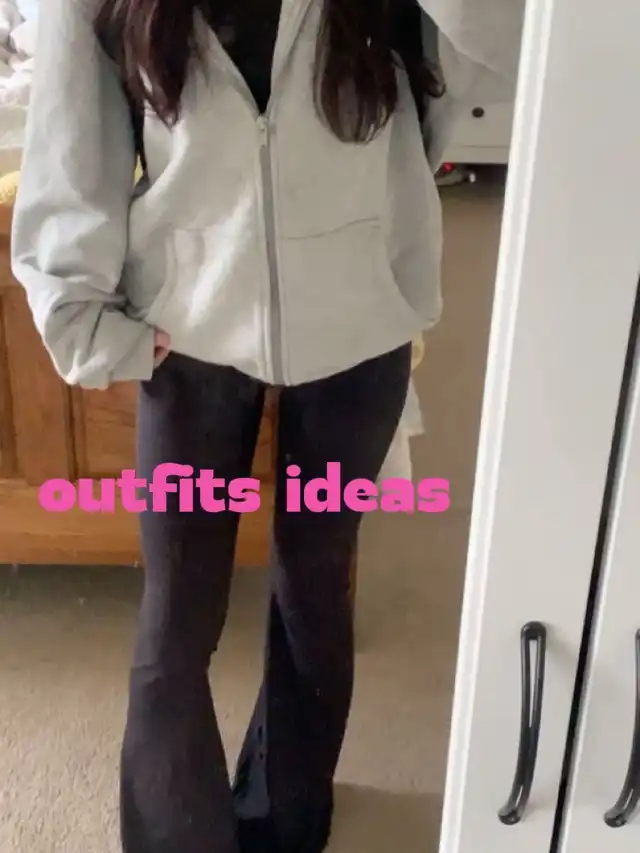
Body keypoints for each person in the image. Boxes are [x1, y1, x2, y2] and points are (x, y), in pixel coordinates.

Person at [11, 0, 445, 851]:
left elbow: (454, 86)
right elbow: (71, 140)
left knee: (314, 588)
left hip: (358, 329)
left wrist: (390, 266)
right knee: (177, 613)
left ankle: (288, 819)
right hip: (190, 336)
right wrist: (82, 319)